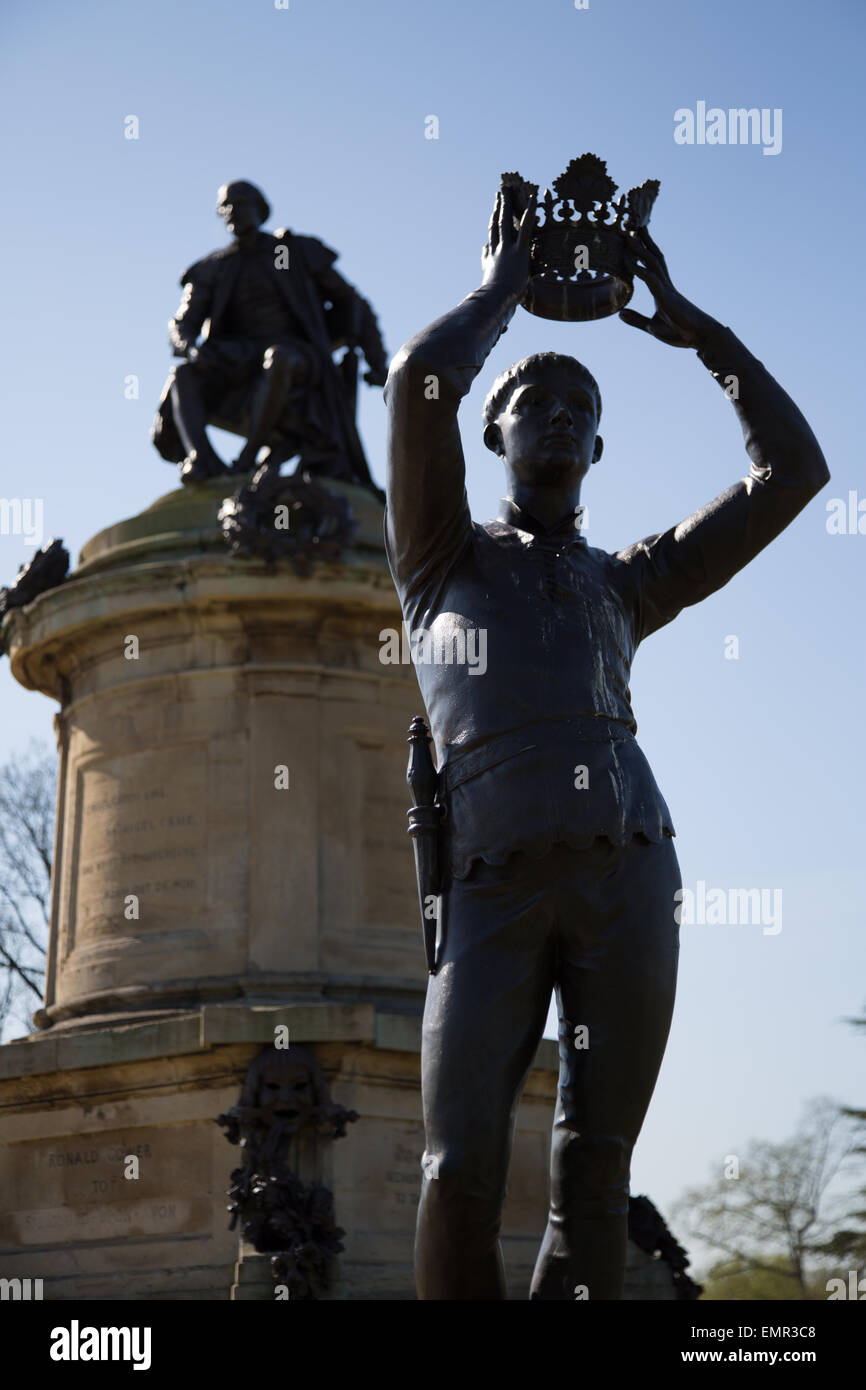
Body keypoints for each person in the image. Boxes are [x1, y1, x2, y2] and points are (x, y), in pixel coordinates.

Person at [384, 186, 829, 1300]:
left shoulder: (624, 583)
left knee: (595, 1166)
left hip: (629, 871)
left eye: (577, 405)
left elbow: (794, 474)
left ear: (598, 443)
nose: (556, 415)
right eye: (530, 401)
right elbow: (418, 377)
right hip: (488, 880)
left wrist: (703, 337)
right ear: (491, 433)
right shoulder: (439, 559)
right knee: (459, 1167)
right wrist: (502, 290)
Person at [152, 180, 387, 488]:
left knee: (279, 358)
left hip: (297, 352)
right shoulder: (212, 268)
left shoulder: (293, 251)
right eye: (225, 206)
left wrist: (377, 362)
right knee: (183, 375)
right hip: (237, 356)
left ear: (260, 209)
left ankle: (247, 459)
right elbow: (182, 323)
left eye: (240, 202)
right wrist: (190, 348)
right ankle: (202, 460)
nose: (232, 210)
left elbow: (352, 303)